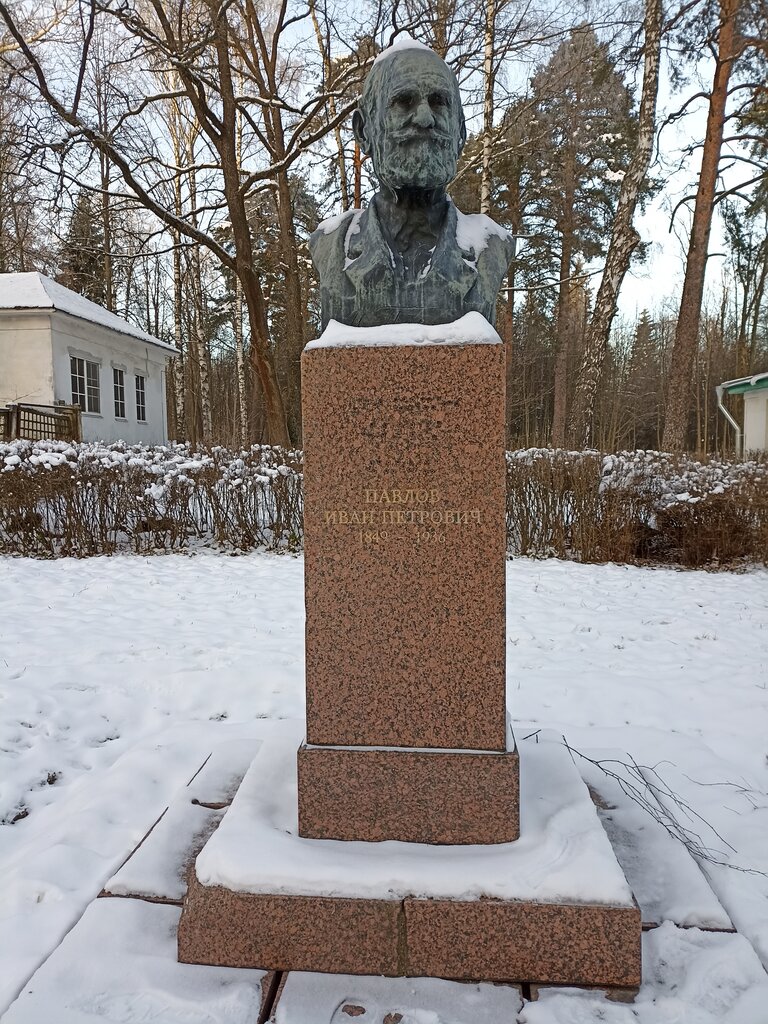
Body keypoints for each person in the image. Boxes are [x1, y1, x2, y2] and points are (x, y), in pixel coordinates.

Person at [309, 38, 516, 330]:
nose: (424, 118)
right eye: (404, 102)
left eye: (439, 102)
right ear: (363, 131)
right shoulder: (331, 247)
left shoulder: (491, 247)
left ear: (460, 134)